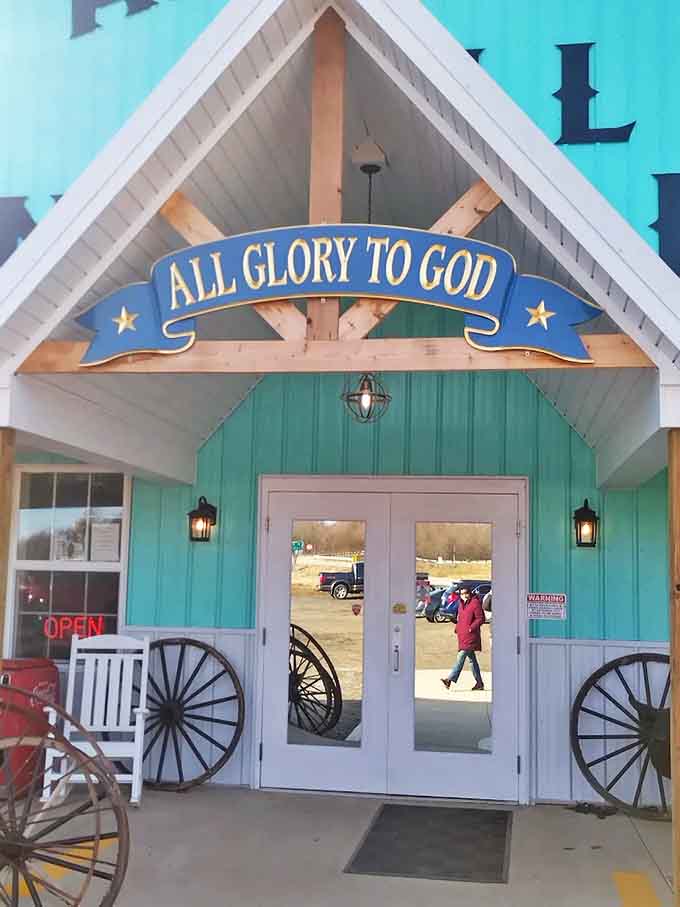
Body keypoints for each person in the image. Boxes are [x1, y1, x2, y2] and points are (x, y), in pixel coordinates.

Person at [441, 586, 485, 691]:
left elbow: (481, 618)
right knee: (472, 661)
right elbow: (460, 617)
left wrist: (471, 628)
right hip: (462, 635)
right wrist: (457, 627)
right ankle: (479, 683)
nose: (464, 595)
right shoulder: (461, 604)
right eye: (461, 593)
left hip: (471, 636)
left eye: (466, 593)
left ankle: (449, 679)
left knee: (461, 657)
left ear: (470, 593)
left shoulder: (475, 603)